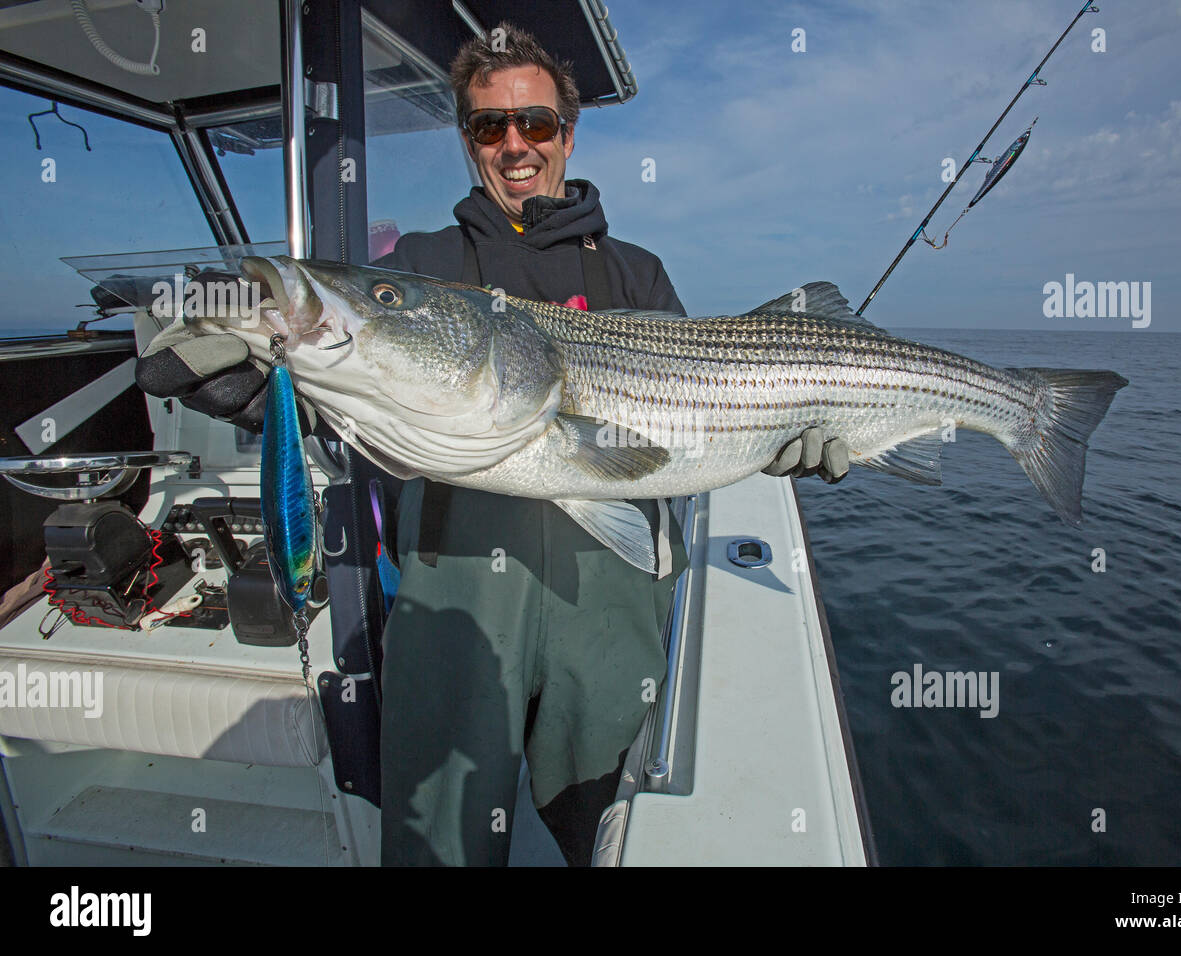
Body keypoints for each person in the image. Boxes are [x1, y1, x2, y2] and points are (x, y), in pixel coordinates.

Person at [135, 23, 848, 867]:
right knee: (439, 838)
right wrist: (240, 379)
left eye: (536, 124)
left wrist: (786, 433)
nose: (516, 145)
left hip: (611, 605)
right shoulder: (424, 264)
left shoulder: (636, 273)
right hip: (458, 605)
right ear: (468, 140)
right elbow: (344, 390)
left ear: (567, 135)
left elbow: (704, 422)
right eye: (488, 127)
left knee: (611, 831)